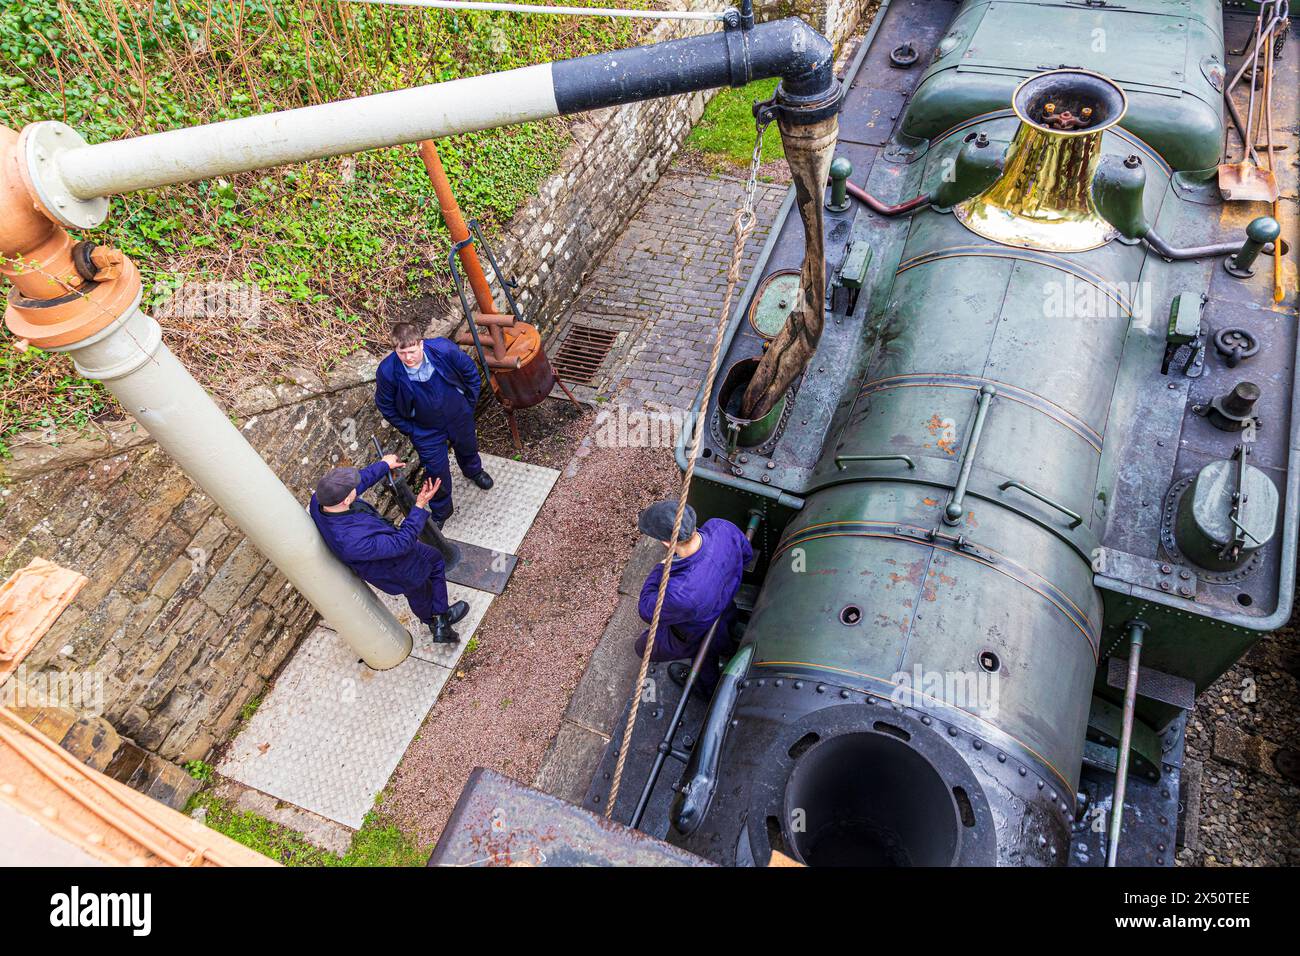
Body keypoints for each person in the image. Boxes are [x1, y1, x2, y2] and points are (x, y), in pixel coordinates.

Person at [310, 454, 469, 644]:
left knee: (434, 559)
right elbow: (402, 543)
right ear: (345, 501)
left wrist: (384, 465)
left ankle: (441, 618)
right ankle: (436, 622)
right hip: (395, 567)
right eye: (352, 490)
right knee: (418, 591)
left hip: (391, 550)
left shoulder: (321, 500)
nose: (356, 489)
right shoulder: (352, 541)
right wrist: (418, 506)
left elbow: (359, 483)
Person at [375, 322, 493, 526]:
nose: (408, 358)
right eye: (402, 353)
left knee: (468, 447)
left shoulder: (443, 349)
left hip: (458, 414)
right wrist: (410, 429)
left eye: (412, 351)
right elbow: (385, 405)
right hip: (424, 429)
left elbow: (470, 373)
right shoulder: (387, 371)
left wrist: (468, 405)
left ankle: (474, 471)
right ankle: (441, 511)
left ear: (421, 344)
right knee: (436, 470)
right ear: (395, 349)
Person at [633, 501, 753, 699]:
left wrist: (660, 569)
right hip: (726, 608)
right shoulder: (720, 526)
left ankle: (707, 690)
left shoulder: (682, 593)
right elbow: (746, 554)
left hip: (696, 633)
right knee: (723, 634)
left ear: (666, 543)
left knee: (642, 647)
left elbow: (647, 609)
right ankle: (728, 647)